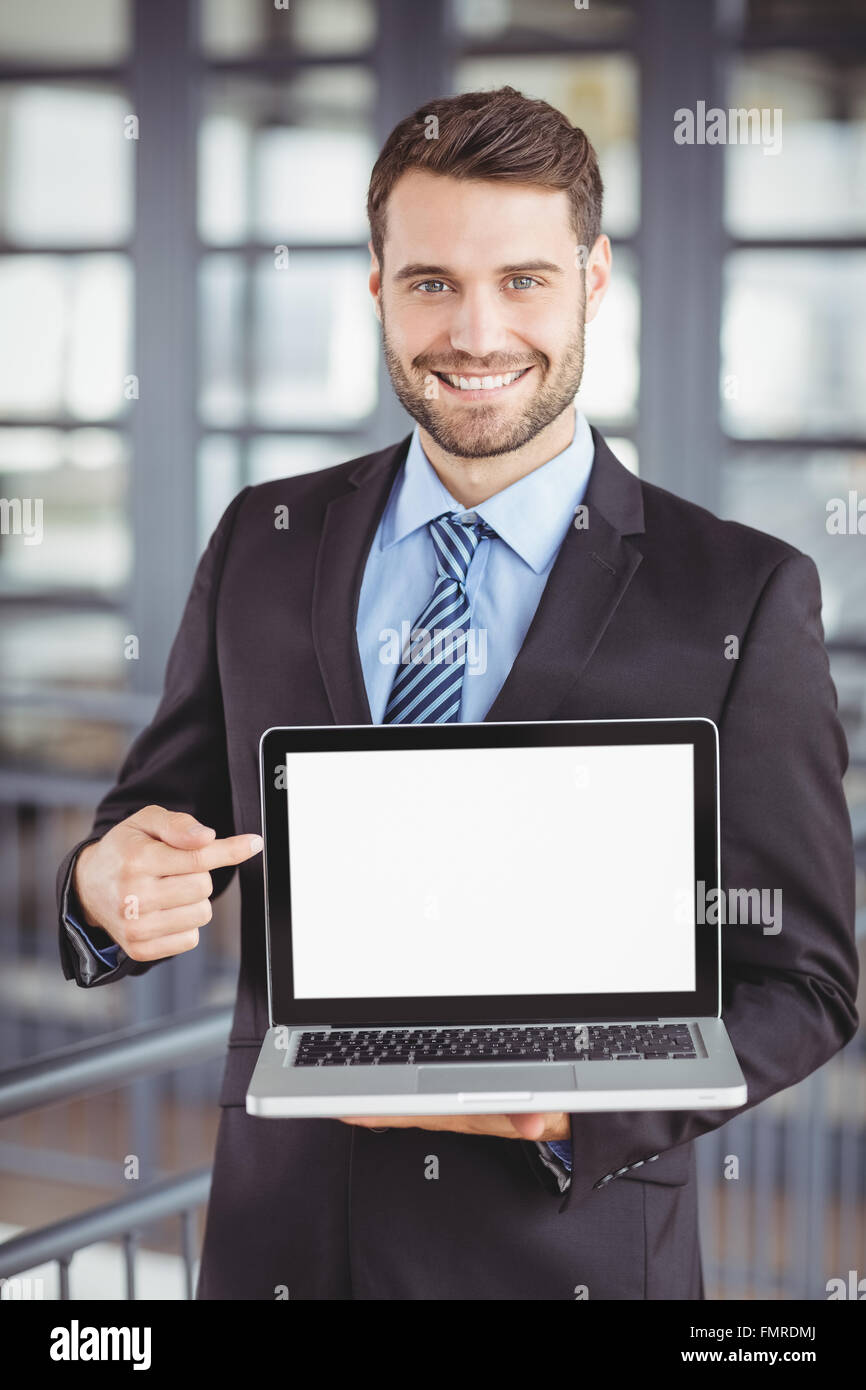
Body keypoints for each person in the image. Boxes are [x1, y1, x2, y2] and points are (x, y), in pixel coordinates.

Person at [57, 86, 858, 1300]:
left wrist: (583, 1108)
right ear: (377, 288)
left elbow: (804, 982)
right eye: (432, 282)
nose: (476, 334)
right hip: (285, 1246)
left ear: (592, 281)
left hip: (565, 1254)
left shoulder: (740, 593)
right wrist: (101, 887)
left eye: (522, 280)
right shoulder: (264, 539)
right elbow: (155, 825)